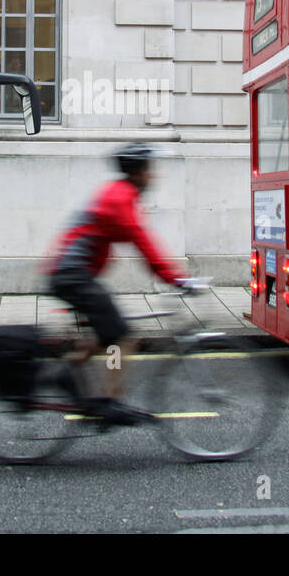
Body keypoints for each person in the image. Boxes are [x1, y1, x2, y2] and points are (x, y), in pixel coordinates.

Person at [46, 142, 195, 425]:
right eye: (150, 170)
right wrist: (178, 279)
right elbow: (144, 245)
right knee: (122, 338)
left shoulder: (119, 194)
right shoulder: (120, 199)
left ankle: (68, 371)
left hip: (72, 274)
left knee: (107, 336)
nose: (154, 176)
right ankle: (108, 401)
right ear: (138, 171)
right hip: (72, 275)